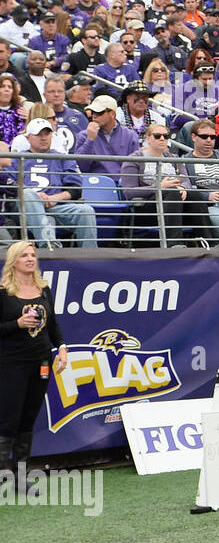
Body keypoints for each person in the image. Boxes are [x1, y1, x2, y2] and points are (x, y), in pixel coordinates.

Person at [0, 242, 68, 498]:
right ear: (13, 261)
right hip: (10, 365)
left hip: (40, 364)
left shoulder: (43, 288)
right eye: (24, 255)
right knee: (8, 421)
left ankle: (20, 478)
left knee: (28, 420)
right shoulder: (3, 292)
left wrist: (61, 347)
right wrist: (17, 323)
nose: (30, 259)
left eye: (33, 254)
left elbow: (54, 325)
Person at [10, 119, 98, 248]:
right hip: (25, 210)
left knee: (86, 210)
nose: (44, 138)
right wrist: (34, 198)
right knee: (28, 194)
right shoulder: (17, 159)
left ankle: (92, 256)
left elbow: (75, 189)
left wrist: (54, 199)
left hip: (56, 207)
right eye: (39, 135)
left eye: (47, 134)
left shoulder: (62, 158)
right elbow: (8, 185)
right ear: (28, 138)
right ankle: (49, 245)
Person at [119, 124, 203, 247]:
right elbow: (129, 192)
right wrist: (159, 187)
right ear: (147, 138)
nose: (162, 139)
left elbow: (185, 179)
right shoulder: (134, 159)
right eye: (157, 136)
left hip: (174, 205)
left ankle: (210, 242)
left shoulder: (173, 158)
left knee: (194, 195)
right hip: (146, 207)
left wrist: (183, 187)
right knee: (172, 191)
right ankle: (174, 244)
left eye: (166, 136)